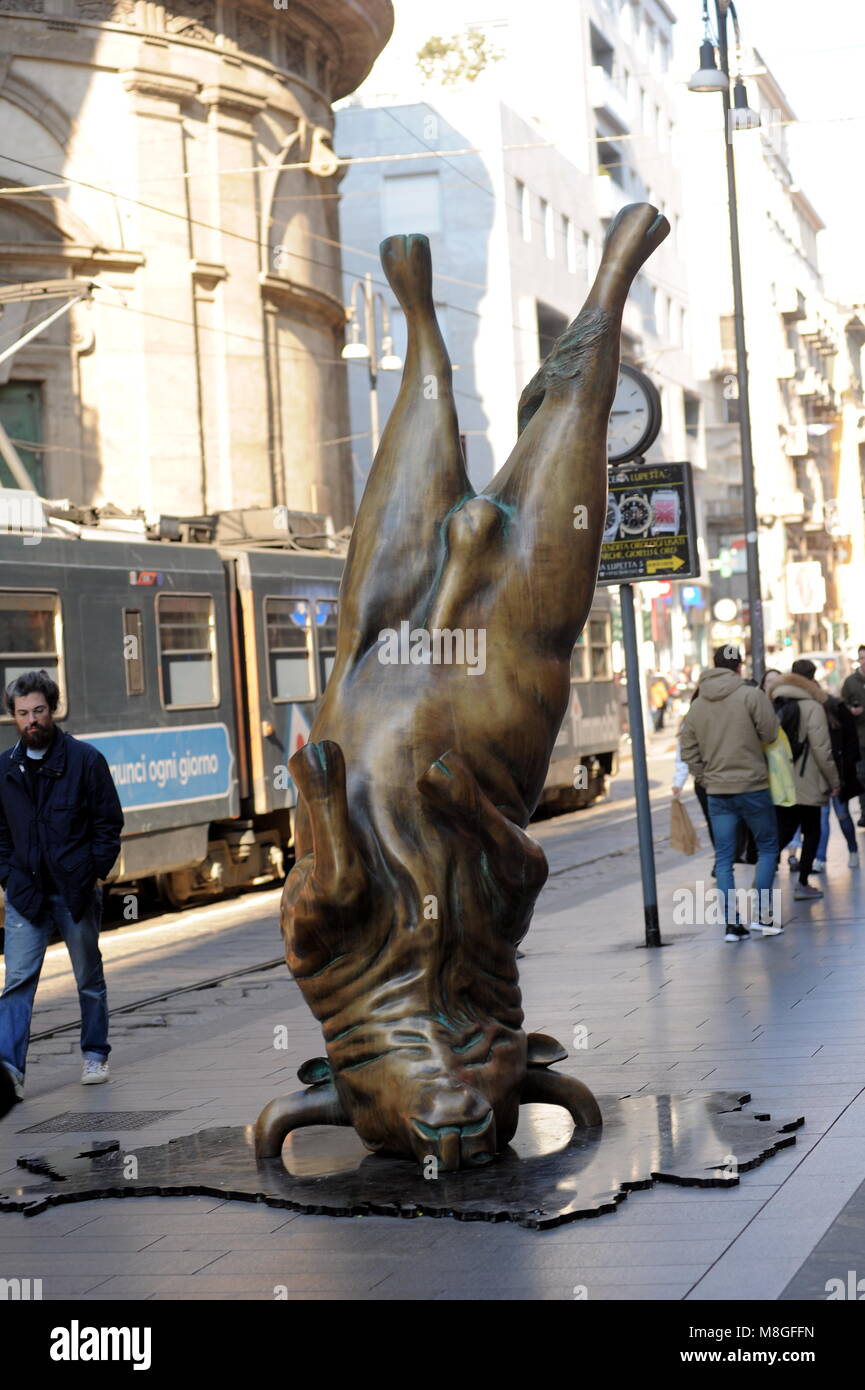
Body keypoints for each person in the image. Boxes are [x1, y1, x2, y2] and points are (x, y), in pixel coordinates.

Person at [0, 670, 124, 1103]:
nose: (31, 720)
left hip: (74, 890)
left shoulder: (85, 761)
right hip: (25, 893)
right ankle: (10, 1071)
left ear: (52, 710)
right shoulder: (4, 767)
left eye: (38, 711)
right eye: (22, 713)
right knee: (16, 981)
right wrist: (7, 876)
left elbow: (108, 823)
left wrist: (93, 872)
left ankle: (94, 1054)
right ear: (12, 716)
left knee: (88, 977)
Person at [679, 645, 780, 941]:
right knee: (767, 848)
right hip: (753, 787)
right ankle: (763, 916)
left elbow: (688, 750)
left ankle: (732, 925)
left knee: (724, 858)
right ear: (739, 666)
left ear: (714, 664)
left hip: (718, 792)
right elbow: (770, 733)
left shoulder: (697, 705)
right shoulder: (751, 695)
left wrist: (706, 778)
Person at [763, 668, 840, 901]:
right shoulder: (813, 707)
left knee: (783, 830)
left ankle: (762, 875)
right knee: (812, 831)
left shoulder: (773, 706)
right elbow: (822, 750)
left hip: (780, 780)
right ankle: (803, 883)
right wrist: (833, 780)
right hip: (808, 780)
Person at [791, 658, 860, 870]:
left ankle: (852, 850)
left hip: (832, 769)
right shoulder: (798, 705)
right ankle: (820, 858)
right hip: (818, 772)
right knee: (822, 818)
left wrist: (840, 773)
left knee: (841, 815)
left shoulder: (831, 705)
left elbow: (846, 742)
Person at [841, 644, 865, 827]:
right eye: (862, 658)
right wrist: (852, 711)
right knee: (862, 775)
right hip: (860, 738)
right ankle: (864, 811)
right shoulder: (850, 682)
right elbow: (843, 707)